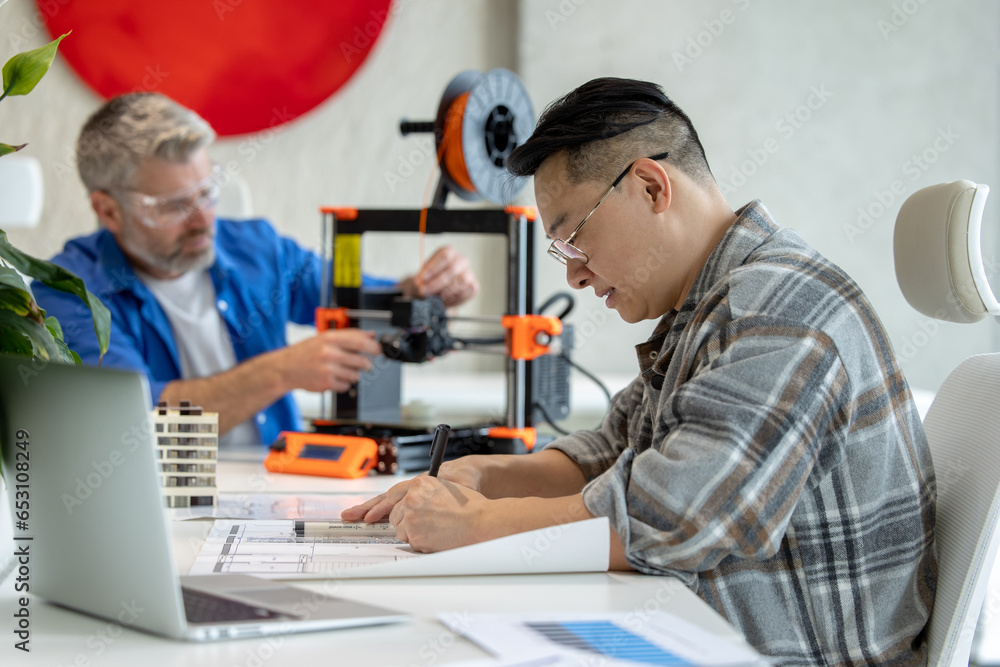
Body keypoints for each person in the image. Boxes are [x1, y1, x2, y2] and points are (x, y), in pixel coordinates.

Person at [343, 78, 936, 666]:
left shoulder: (779, 310)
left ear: (651, 187)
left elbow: (675, 515)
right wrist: (487, 476)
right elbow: (612, 451)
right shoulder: (704, 308)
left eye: (573, 237)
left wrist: (478, 524)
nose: (574, 275)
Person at [33, 92, 479, 447]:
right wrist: (280, 371)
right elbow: (135, 423)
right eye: (174, 206)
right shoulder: (69, 293)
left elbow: (364, 302)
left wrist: (426, 289)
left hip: (279, 484)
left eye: (207, 191)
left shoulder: (257, 249)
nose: (203, 219)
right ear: (108, 211)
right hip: (162, 504)